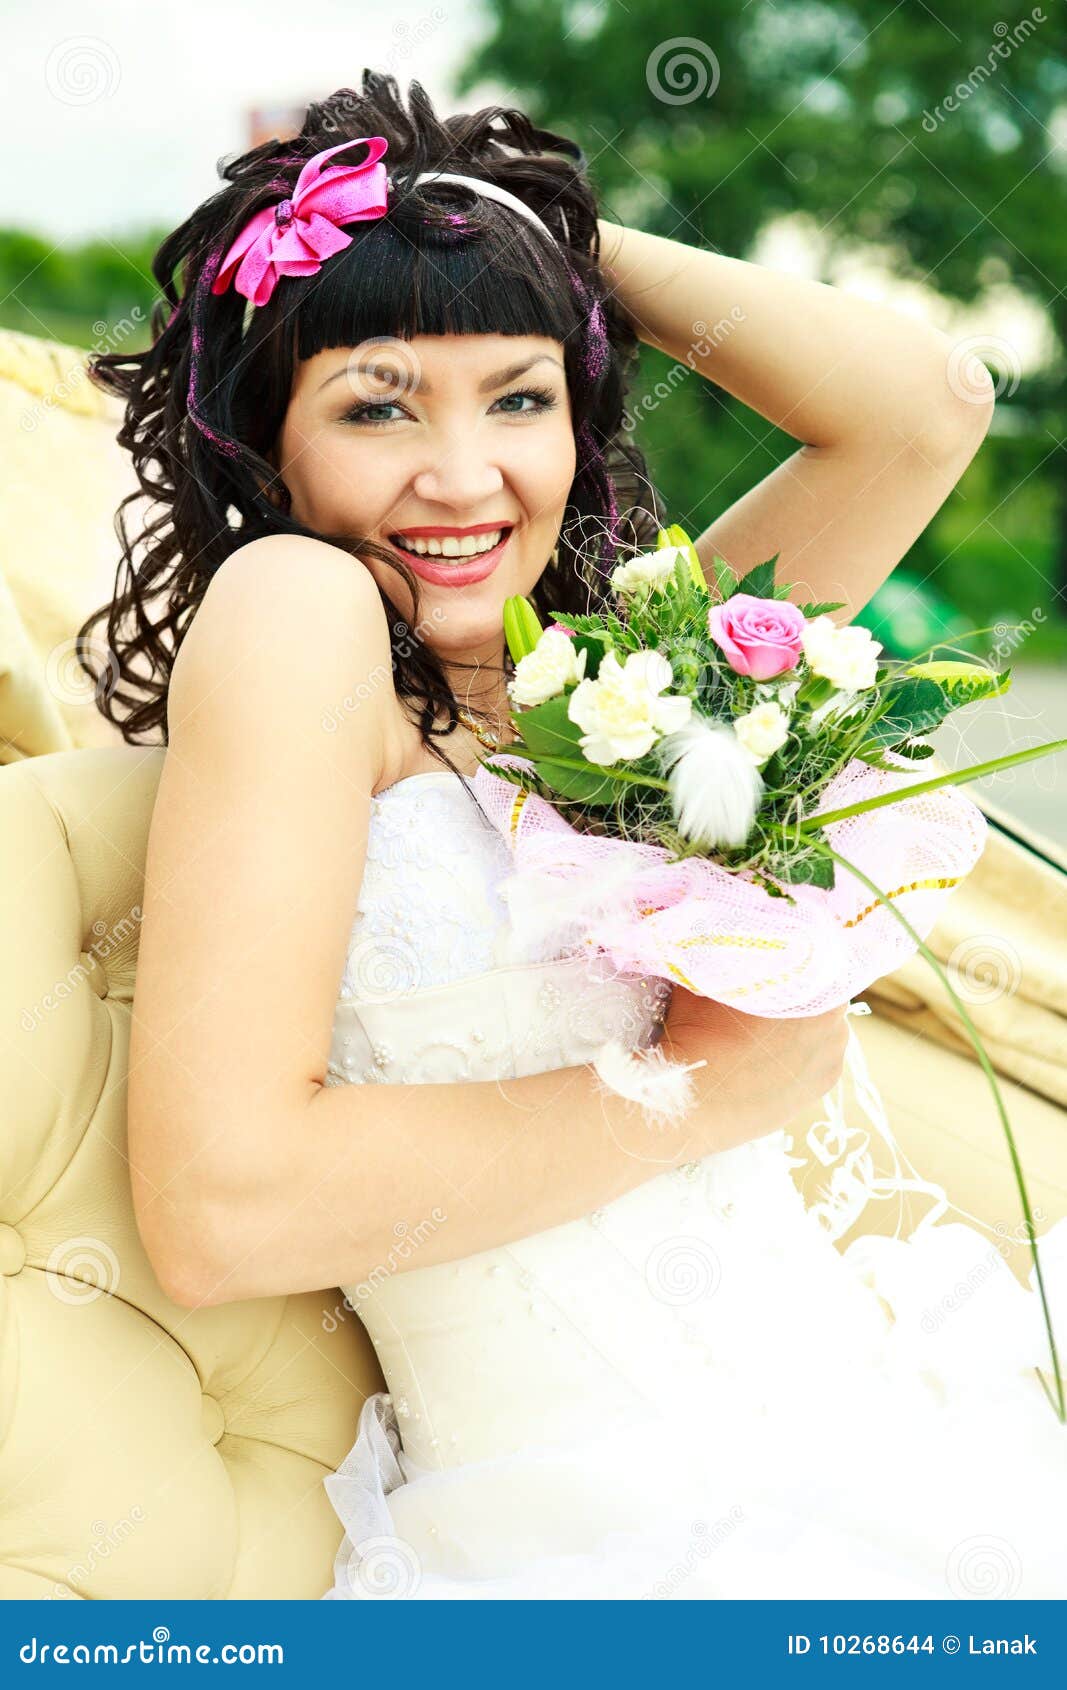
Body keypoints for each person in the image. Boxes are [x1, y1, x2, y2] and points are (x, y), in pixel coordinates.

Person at [84, 70, 1067, 1601]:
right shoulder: (298, 611)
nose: (465, 476)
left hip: (890, 1433)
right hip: (620, 1540)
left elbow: (923, 405)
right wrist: (687, 1090)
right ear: (266, 441)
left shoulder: (609, 680)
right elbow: (224, 1207)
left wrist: (520, 220)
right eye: (377, 403)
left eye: (520, 396)